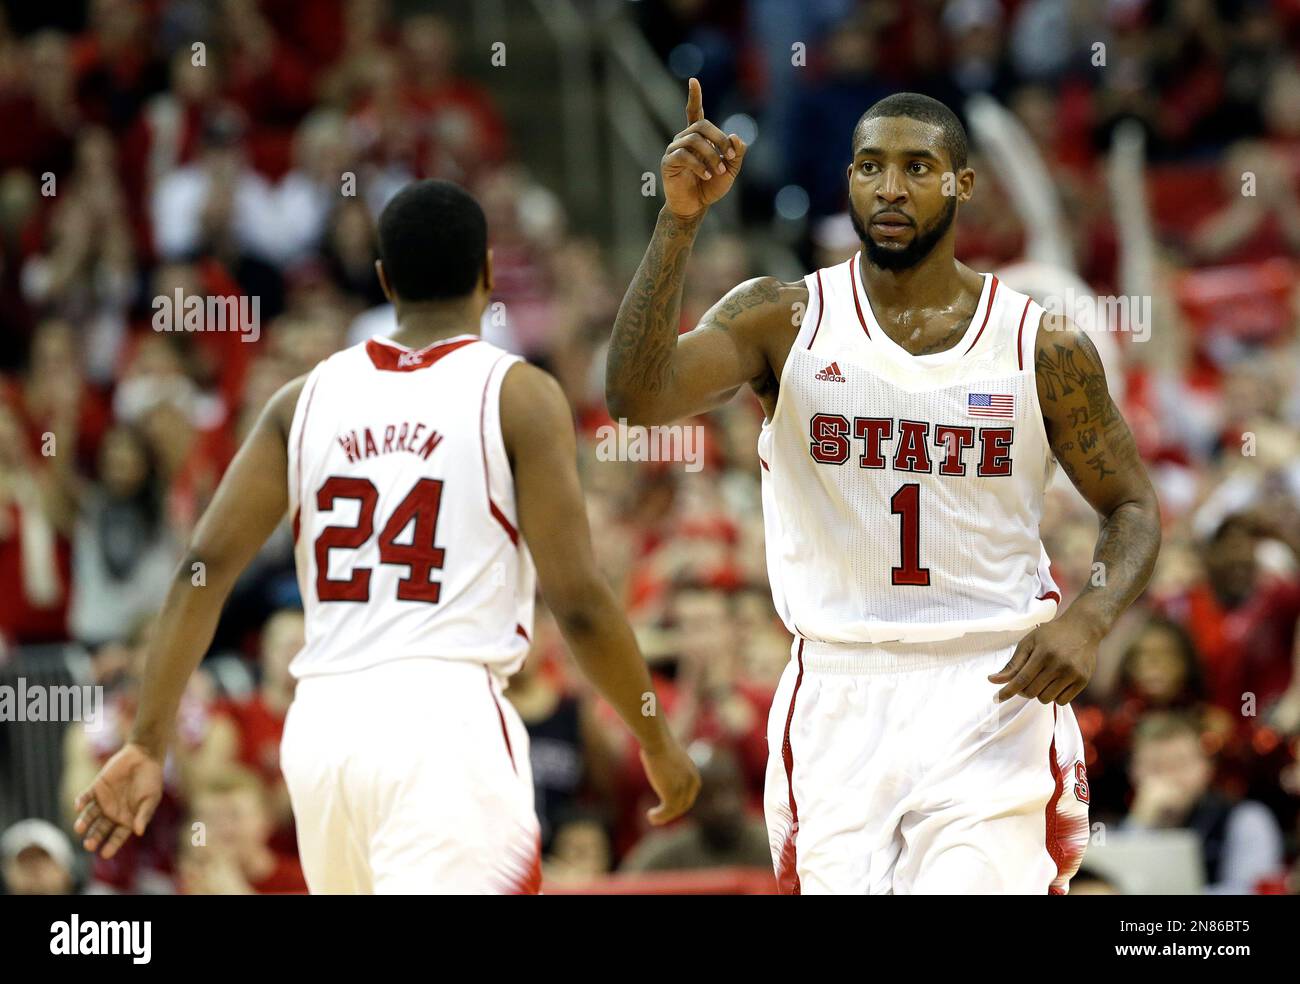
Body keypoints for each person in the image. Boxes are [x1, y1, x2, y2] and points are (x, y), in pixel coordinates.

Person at [605, 80, 1162, 894]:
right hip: (838, 689)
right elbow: (637, 396)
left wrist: (1089, 618)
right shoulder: (784, 318)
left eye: (916, 167)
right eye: (869, 166)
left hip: (992, 688)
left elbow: (1135, 504)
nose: (890, 187)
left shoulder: (1040, 342)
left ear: (962, 184)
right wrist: (679, 221)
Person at [73, 179, 699, 894]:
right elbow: (580, 602)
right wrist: (653, 734)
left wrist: (146, 741)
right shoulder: (516, 392)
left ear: (382, 281)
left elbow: (201, 569)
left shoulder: (301, 398)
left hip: (322, 729)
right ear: (487, 274)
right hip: (444, 724)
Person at [1123, 713, 1284, 895]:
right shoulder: (1122, 824)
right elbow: (1117, 883)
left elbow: (1251, 890)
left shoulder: (1246, 818)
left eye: (1180, 763)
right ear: (1133, 771)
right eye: (1155, 766)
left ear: (1205, 768)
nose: (1169, 777)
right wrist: (1140, 820)